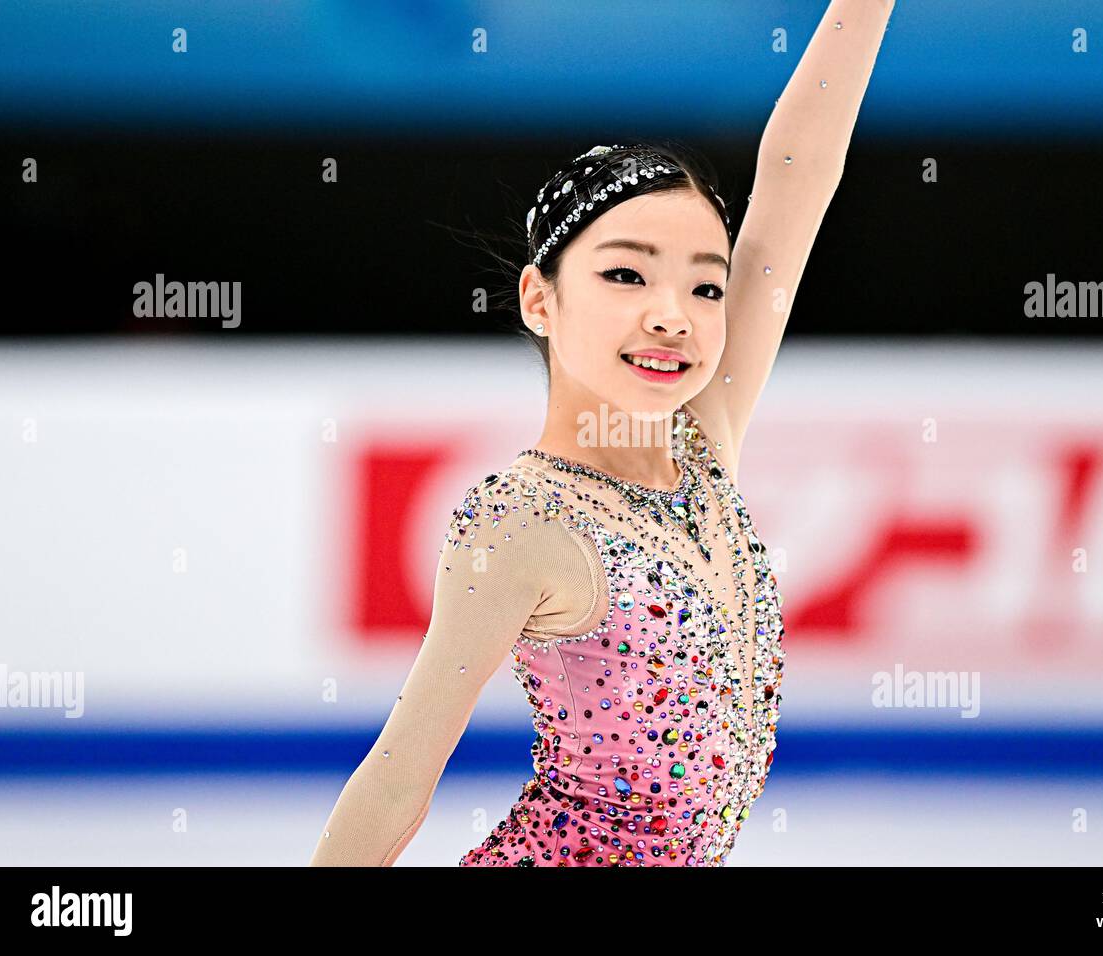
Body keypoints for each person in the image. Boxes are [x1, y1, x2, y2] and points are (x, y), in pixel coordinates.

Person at [309, 0, 894, 867]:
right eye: (626, 274)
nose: (674, 316)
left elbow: (799, 174)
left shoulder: (704, 444)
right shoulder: (519, 523)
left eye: (705, 287)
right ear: (539, 300)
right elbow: (398, 782)